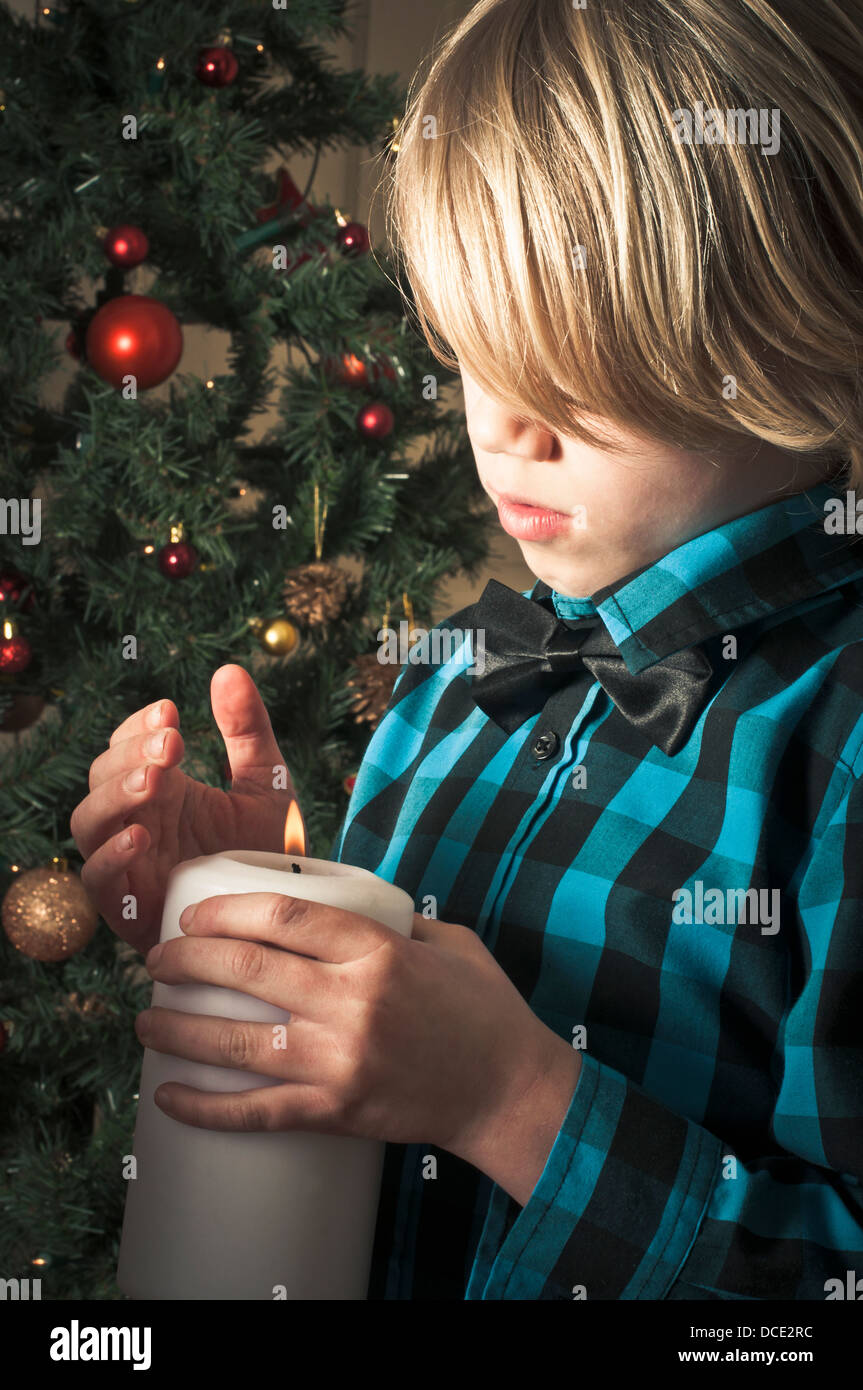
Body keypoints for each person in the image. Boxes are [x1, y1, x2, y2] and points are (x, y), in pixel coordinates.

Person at [70, 0, 863, 1299]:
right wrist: (260, 902)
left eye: (583, 362)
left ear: (802, 314)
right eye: (478, 349)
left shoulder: (842, 751)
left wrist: (514, 1098)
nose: (507, 428)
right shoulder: (449, 686)